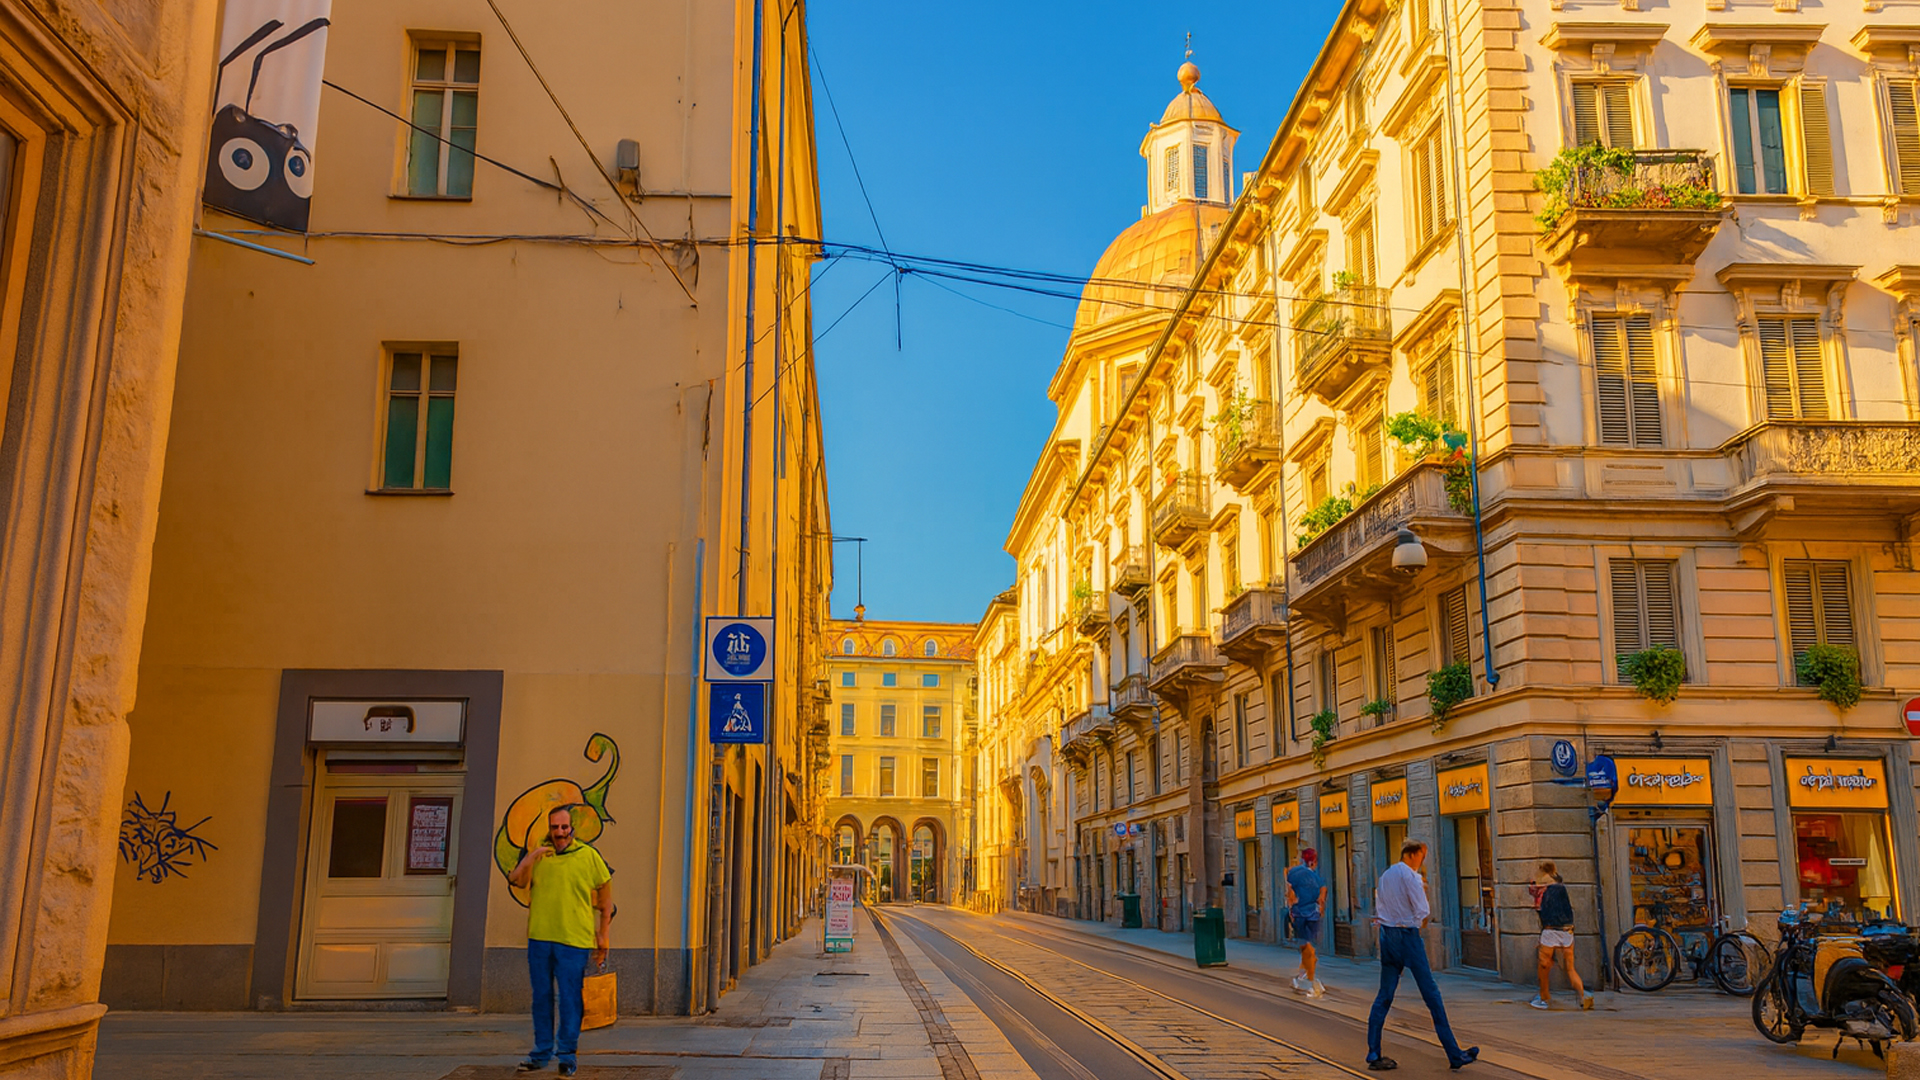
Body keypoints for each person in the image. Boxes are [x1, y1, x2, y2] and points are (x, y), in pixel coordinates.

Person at [510, 805, 614, 1077]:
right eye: (554, 827)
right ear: (549, 829)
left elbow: (605, 900)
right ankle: (541, 1052)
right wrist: (531, 857)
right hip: (540, 939)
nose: (559, 832)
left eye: (564, 827)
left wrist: (603, 935)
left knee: (569, 999)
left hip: (574, 941)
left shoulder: (588, 856)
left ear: (572, 828)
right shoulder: (539, 855)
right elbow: (515, 880)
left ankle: (567, 1055)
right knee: (541, 998)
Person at [1365, 838, 1477, 1072]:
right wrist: (1415, 921)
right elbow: (1423, 910)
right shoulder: (1410, 876)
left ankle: (1374, 1051)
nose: (1422, 860)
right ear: (1412, 854)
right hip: (1407, 936)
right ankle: (1454, 1054)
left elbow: (1381, 905)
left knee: (1384, 995)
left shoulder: (1386, 875)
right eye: (1422, 856)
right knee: (1432, 995)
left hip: (1387, 936)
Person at [1530, 863, 1592, 1011]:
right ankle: (1583, 995)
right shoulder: (1561, 887)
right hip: (1567, 931)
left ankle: (1544, 997)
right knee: (1570, 968)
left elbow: (1546, 912)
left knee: (1543, 965)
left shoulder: (1548, 889)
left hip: (1551, 930)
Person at [1286, 847, 1328, 998]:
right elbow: (1322, 893)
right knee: (1310, 949)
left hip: (1300, 915)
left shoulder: (1294, 872)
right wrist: (1320, 907)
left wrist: (1291, 908)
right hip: (1311, 915)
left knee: (1306, 948)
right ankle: (1309, 981)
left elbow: (1290, 893)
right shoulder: (1315, 876)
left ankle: (1303, 978)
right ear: (1314, 861)